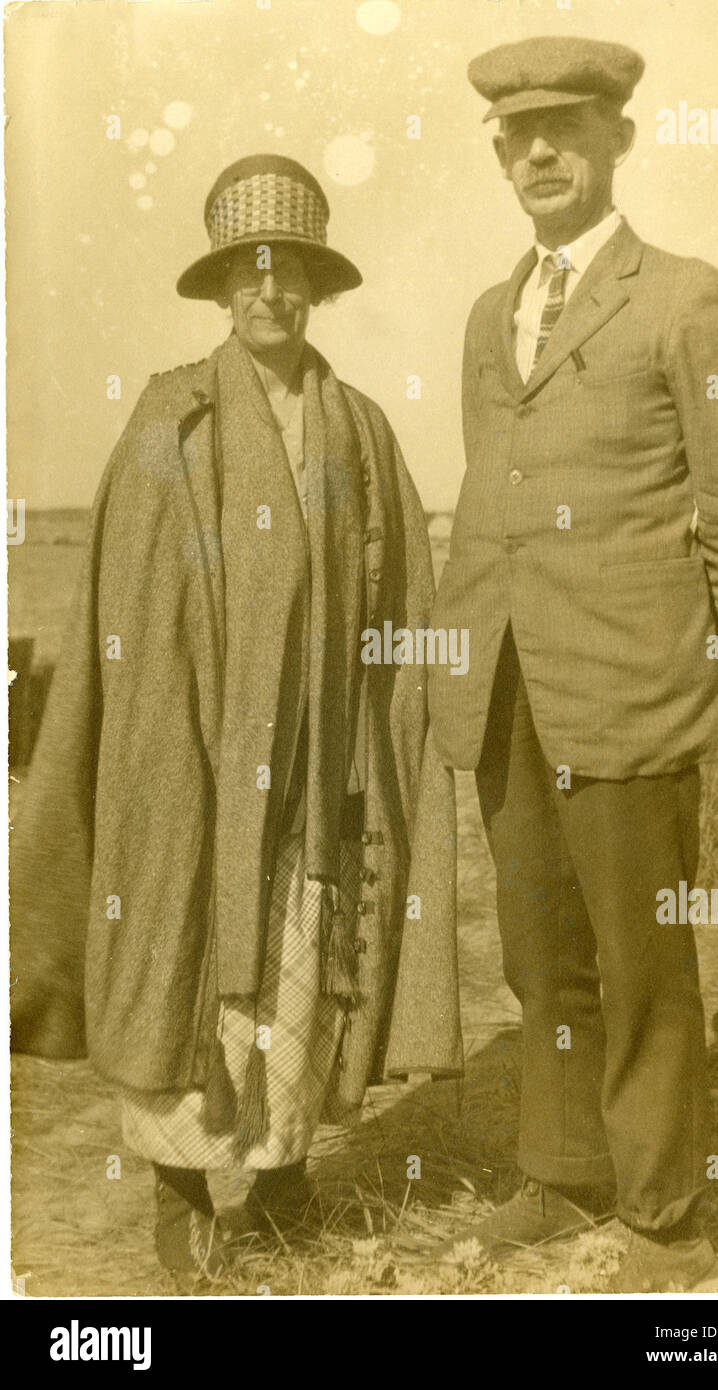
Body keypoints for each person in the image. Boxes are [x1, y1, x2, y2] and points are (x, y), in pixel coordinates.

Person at [11, 154, 461, 1277]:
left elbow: (403, 593)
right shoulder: (174, 421)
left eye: (291, 272)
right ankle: (177, 1197)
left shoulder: (356, 430)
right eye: (250, 274)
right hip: (197, 762)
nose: (271, 293)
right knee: (183, 963)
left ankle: (279, 1185)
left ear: (315, 285)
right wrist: (176, 744)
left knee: (305, 970)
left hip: (317, 767)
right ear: (222, 288)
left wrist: (389, 719)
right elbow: (131, 599)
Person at [427, 38, 718, 1290]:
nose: (539, 152)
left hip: (633, 689)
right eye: (517, 136)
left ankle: (663, 1212)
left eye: (566, 130)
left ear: (616, 141)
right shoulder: (490, 313)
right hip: (511, 686)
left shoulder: (686, 297)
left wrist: (688, 664)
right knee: (540, 951)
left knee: (643, 952)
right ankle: (566, 1164)